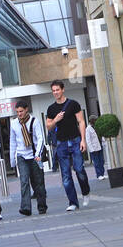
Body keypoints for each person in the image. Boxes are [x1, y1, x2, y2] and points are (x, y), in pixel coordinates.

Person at [44, 81, 90, 212]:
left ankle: (85, 192)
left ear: (63, 90)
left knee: (79, 169)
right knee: (65, 175)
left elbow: (81, 121)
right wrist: (55, 120)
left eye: (57, 90)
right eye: (53, 90)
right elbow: (48, 126)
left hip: (75, 141)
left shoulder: (73, 104)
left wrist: (83, 140)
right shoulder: (51, 109)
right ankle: (73, 202)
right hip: (61, 143)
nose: (55, 93)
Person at [7, 99, 48, 217]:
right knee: (24, 181)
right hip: (21, 156)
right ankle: (26, 208)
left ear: (26, 110)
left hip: (34, 156)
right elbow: (12, 141)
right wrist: (12, 160)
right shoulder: (14, 123)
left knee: (38, 182)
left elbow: (40, 138)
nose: (19, 114)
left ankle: (42, 206)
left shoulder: (34, 121)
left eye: (21, 111)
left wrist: (38, 154)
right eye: (17, 112)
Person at [85, 116, 106, 180]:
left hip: (99, 146)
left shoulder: (96, 127)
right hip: (94, 149)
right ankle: (99, 175)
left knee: (102, 161)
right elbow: (88, 140)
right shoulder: (88, 129)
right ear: (91, 121)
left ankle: (102, 174)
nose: (96, 121)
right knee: (96, 162)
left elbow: (100, 135)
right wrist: (91, 149)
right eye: (94, 120)